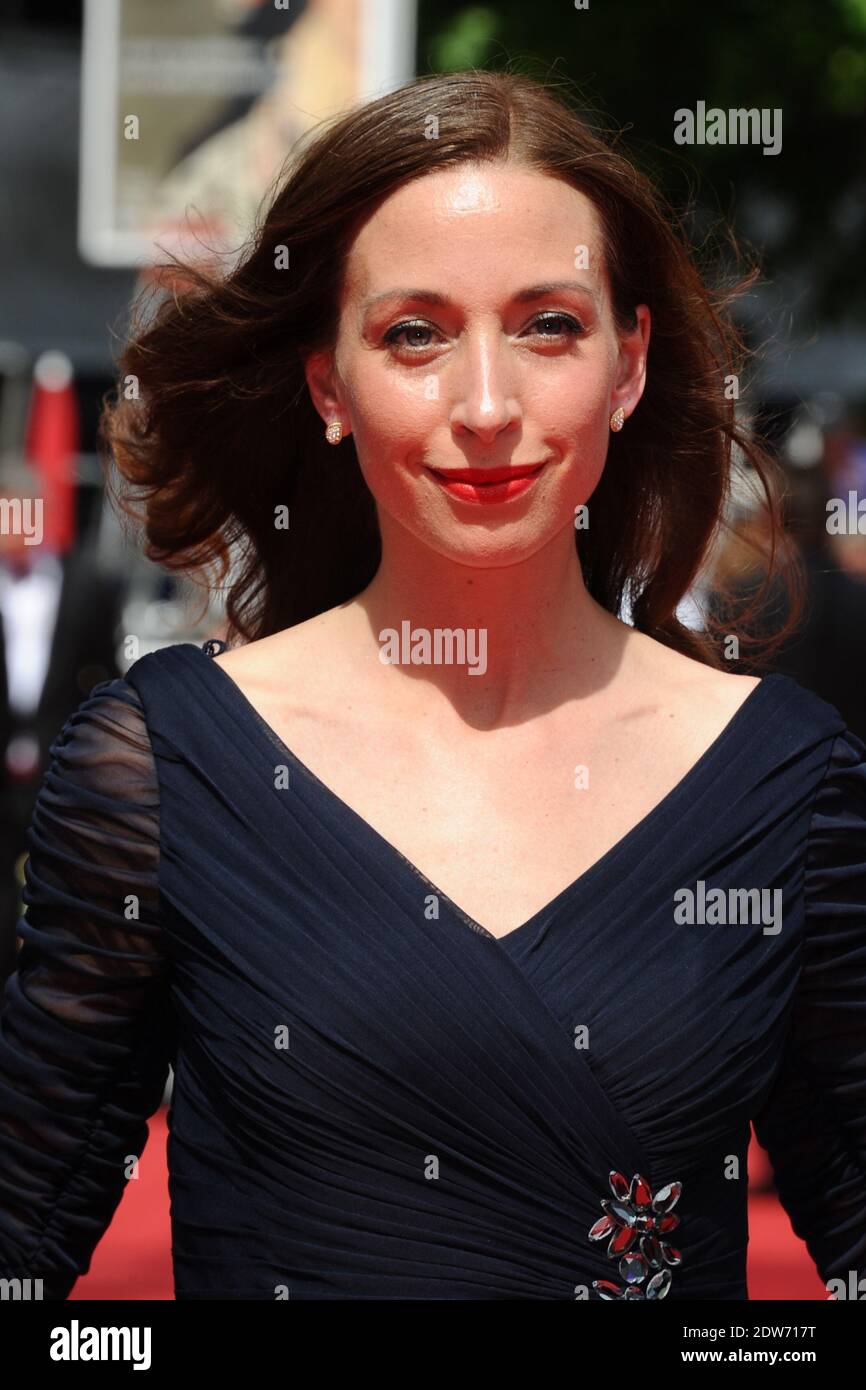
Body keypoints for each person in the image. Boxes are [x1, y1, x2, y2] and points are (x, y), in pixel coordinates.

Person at [1, 69, 864, 1302]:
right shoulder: (164, 769)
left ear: (626, 368)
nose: (485, 406)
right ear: (326, 385)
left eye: (546, 325)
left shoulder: (786, 786)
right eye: (414, 333)